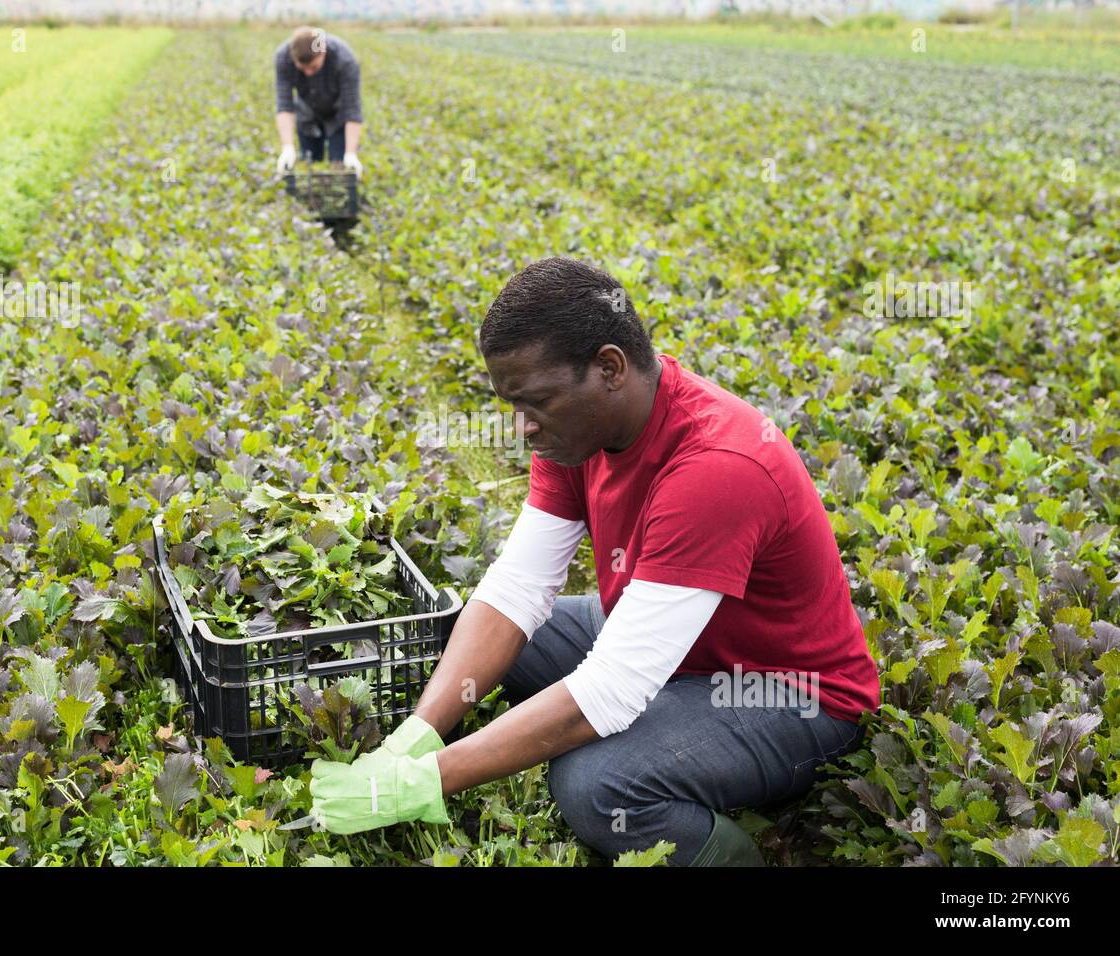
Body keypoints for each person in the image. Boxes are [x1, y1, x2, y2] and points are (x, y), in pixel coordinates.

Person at [309, 257, 881, 866]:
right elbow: (517, 590)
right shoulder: (574, 430)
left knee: (596, 784)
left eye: (536, 403)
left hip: (786, 695)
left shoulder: (718, 467)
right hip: (663, 642)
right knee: (471, 637)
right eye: (511, 405)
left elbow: (613, 688)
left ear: (609, 368)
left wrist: (425, 780)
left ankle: (735, 858)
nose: (522, 427)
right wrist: (414, 739)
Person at [273, 26, 363, 179]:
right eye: (302, 68)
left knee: (339, 167)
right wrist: (287, 147)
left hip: (337, 114)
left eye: (313, 68)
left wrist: (351, 153)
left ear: (323, 52)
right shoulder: (283, 58)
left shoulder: (345, 60)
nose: (308, 73)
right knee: (310, 166)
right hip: (306, 113)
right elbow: (284, 104)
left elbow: (352, 109)